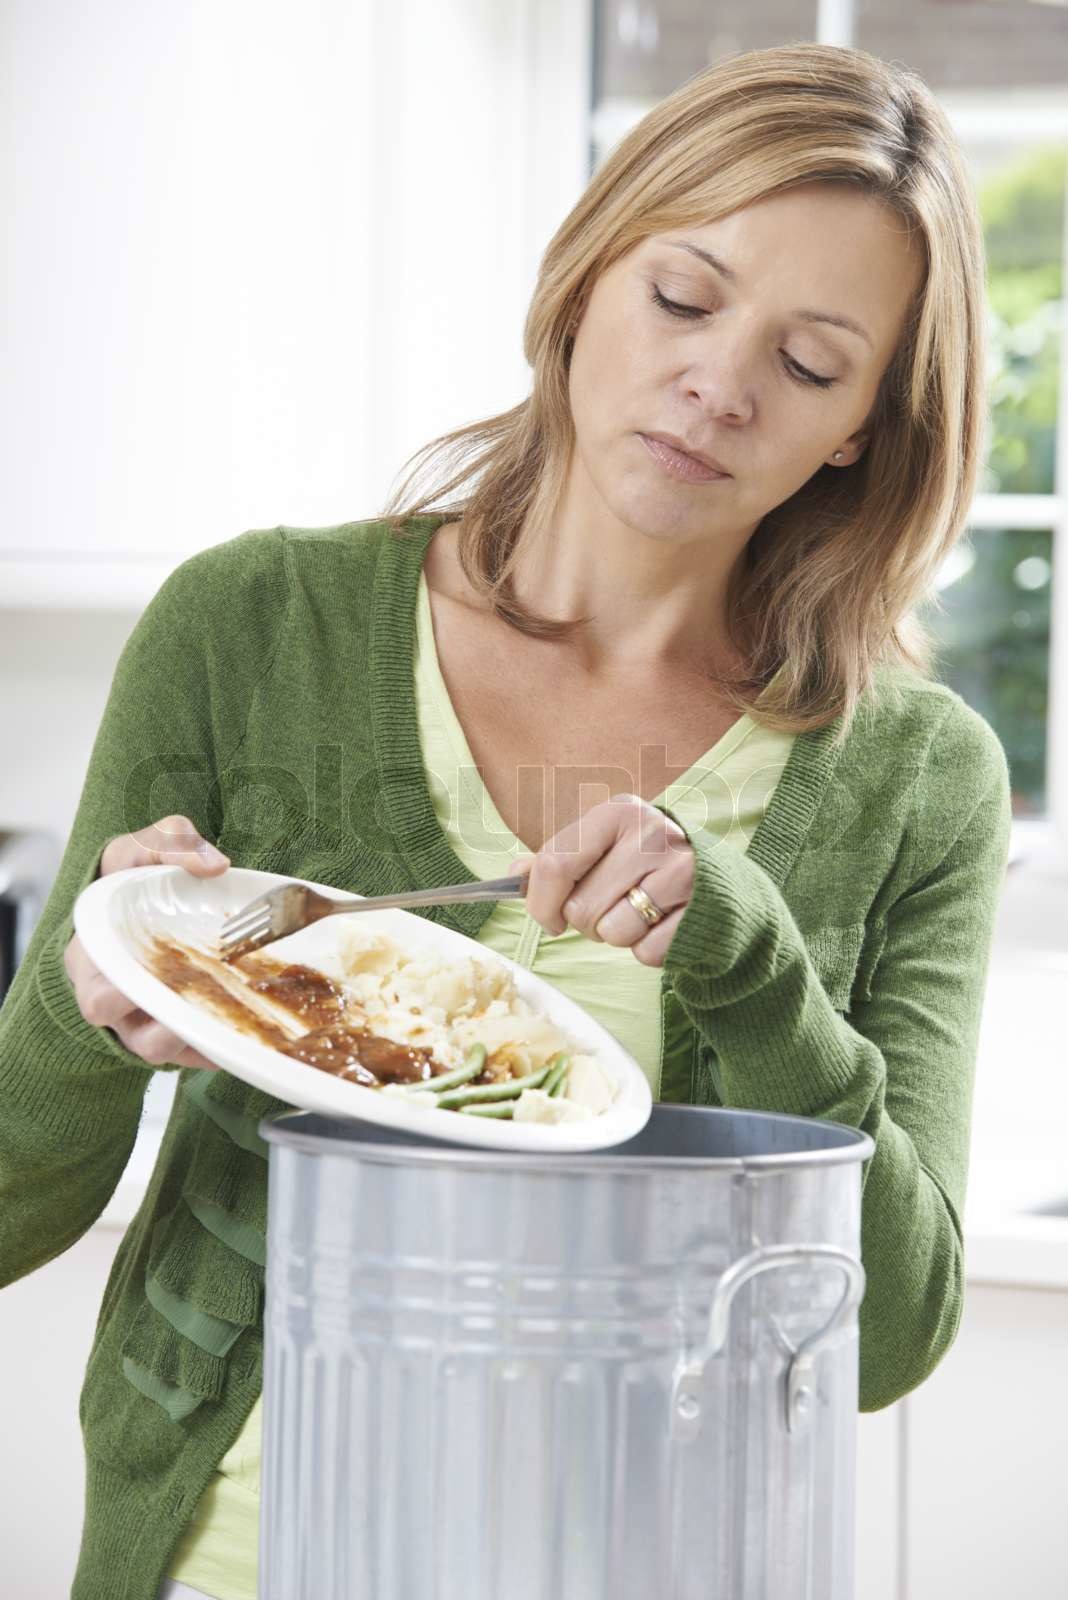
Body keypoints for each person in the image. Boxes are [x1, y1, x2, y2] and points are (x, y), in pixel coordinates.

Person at [0, 40, 1012, 1600]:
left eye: (811, 366)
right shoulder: (252, 626)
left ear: (863, 428)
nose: (719, 384)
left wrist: (749, 967)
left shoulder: (917, 776)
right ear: (590, 272)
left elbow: (885, 1340)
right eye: (683, 299)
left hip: (664, 1559)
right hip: (233, 1556)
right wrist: (86, 1012)